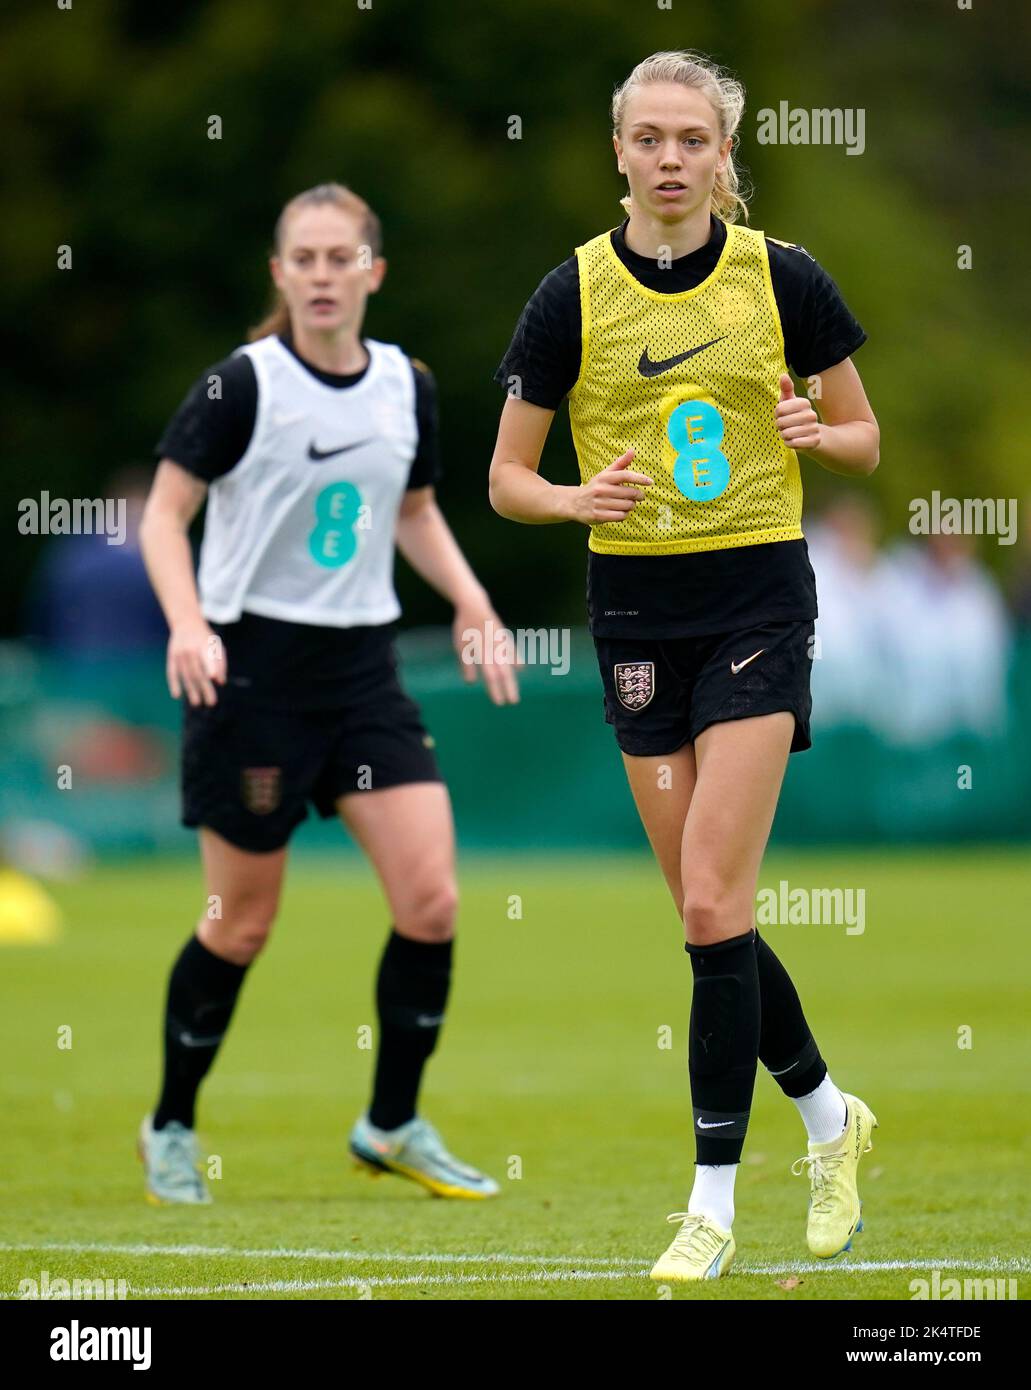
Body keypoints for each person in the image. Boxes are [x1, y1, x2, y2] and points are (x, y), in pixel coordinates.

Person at [488, 52, 881, 1280]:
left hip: (758, 600)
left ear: (722, 155)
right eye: (648, 138)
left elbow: (864, 438)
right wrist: (571, 499)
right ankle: (828, 1115)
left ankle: (709, 1199)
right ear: (617, 151)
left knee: (713, 903)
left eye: (691, 140)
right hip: (635, 616)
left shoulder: (783, 277)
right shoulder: (570, 296)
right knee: (704, 917)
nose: (669, 159)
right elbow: (505, 480)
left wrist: (825, 433)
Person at [138, 182, 517, 1206]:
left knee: (431, 899)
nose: (319, 274)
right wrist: (185, 622)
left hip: (362, 674)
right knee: (240, 922)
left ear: (371, 272)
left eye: (337, 257)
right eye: (301, 258)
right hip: (249, 674)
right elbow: (165, 516)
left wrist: (473, 600)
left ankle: (390, 1121)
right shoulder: (241, 385)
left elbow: (417, 510)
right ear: (279, 273)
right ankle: (170, 1123)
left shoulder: (406, 384)